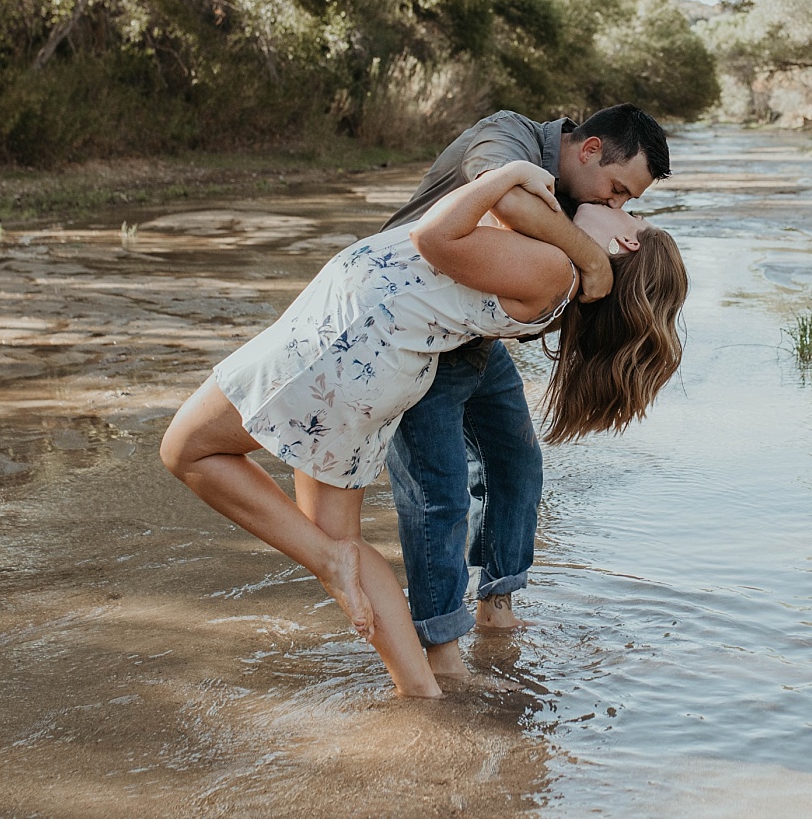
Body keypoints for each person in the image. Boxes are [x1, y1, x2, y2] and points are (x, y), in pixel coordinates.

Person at [159, 160, 687, 697]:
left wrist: (506, 174)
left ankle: (328, 560)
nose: (617, 207)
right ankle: (422, 695)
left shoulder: (555, 269)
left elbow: (433, 234)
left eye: (629, 215)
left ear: (626, 246)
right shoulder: (557, 267)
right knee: (343, 543)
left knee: (187, 451)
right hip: (373, 366)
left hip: (344, 350)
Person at [376, 105, 671, 679]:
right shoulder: (505, 135)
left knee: (516, 462)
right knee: (440, 494)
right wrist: (591, 257)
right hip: (409, 329)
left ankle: (497, 609)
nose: (616, 207)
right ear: (588, 149)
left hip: (471, 334)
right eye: (615, 191)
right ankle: (440, 651)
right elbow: (505, 200)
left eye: (626, 202)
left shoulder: (577, 201)